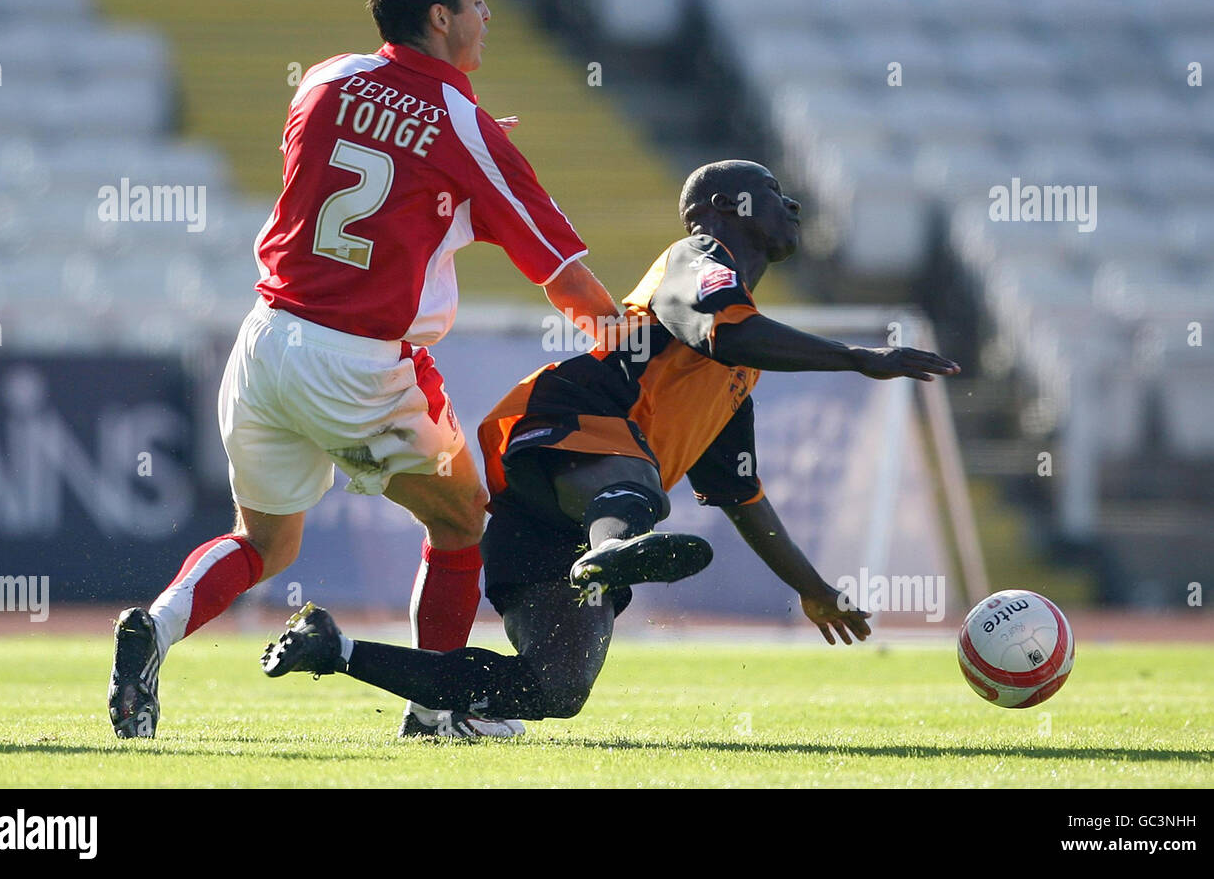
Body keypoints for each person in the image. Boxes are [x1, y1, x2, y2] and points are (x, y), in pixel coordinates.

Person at [108, 0, 621, 739]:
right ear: (440, 16)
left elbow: (363, 168)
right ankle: (436, 709)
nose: (488, 14)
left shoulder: (323, 78)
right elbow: (560, 274)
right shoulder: (464, 126)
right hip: (356, 362)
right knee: (462, 522)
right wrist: (629, 350)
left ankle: (158, 623)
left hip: (267, 341)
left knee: (264, 542)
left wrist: (457, 157)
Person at [258, 160, 961, 724]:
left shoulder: (736, 366)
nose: (793, 207)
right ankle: (609, 549)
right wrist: (860, 357)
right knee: (640, 481)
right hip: (557, 426)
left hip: (552, 517)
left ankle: (336, 648)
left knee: (551, 691)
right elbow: (727, 324)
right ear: (719, 205)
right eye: (772, 191)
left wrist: (816, 591)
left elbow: (741, 493)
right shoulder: (696, 257)